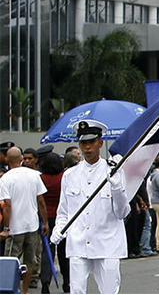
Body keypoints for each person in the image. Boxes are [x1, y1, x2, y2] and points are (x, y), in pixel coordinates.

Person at [50, 120, 131, 294]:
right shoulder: (70, 175)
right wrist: (59, 228)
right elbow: (64, 211)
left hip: (107, 242)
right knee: (77, 291)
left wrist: (117, 188)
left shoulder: (114, 171)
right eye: (83, 143)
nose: (87, 147)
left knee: (109, 291)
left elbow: (122, 212)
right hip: (78, 242)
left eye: (91, 142)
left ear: (100, 142)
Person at [0, 147, 49, 294]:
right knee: (30, 261)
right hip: (32, 225)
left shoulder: (5, 179)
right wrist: (45, 222)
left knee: (11, 261)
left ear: (7, 160)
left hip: (15, 227)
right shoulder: (34, 175)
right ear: (21, 159)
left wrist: (6, 228)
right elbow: (41, 201)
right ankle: (25, 291)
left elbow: (7, 205)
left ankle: (12, 288)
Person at [38, 152, 64, 294]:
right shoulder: (63, 178)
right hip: (61, 217)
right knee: (63, 251)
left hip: (45, 217)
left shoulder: (41, 179)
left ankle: (45, 281)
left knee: (47, 251)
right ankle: (67, 281)